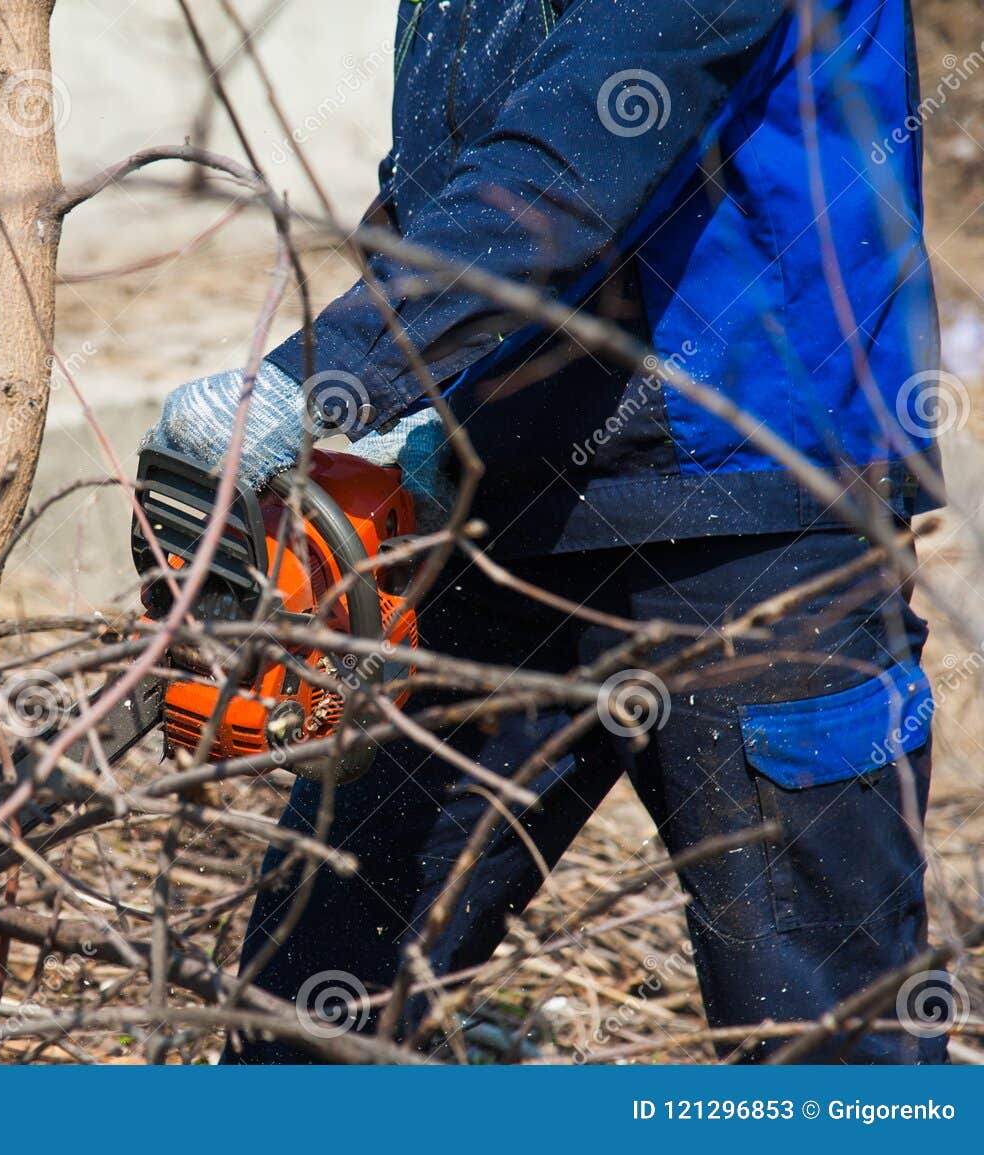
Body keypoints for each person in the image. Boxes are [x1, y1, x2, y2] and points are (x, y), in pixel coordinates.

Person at [144, 0, 947, 1063]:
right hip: (497, 504)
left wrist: (331, 378)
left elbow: (577, 150)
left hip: (753, 504)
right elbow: (455, 177)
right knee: (315, 1000)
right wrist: (416, 409)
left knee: (823, 1036)